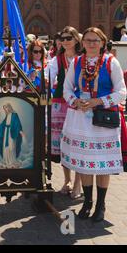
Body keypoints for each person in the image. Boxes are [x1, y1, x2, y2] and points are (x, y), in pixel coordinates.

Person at [61, 27, 127, 222]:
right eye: (88, 40)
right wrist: (75, 101)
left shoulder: (110, 62)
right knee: (84, 163)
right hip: (81, 118)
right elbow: (66, 88)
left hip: (103, 119)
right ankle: (87, 202)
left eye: (95, 41)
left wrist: (99, 101)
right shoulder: (77, 62)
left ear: (102, 43)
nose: (91, 44)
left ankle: (101, 204)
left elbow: (121, 92)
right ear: (83, 43)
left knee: (103, 165)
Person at [48, 26, 83, 199]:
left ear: (76, 39)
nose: (64, 41)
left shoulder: (84, 58)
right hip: (60, 103)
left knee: (77, 142)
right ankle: (67, 180)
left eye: (68, 38)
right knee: (63, 143)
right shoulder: (57, 59)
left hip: (79, 104)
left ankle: (78, 183)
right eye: (62, 38)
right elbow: (49, 78)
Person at [0, 104, 25, 169]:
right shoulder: (7, 115)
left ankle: (12, 161)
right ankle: (6, 160)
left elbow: (17, 123)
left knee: (12, 147)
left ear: (9, 107)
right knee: (5, 147)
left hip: (12, 133)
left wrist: (20, 130)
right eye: (4, 108)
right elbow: (3, 123)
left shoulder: (14, 115)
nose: (5, 109)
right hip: (6, 132)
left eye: (6, 108)